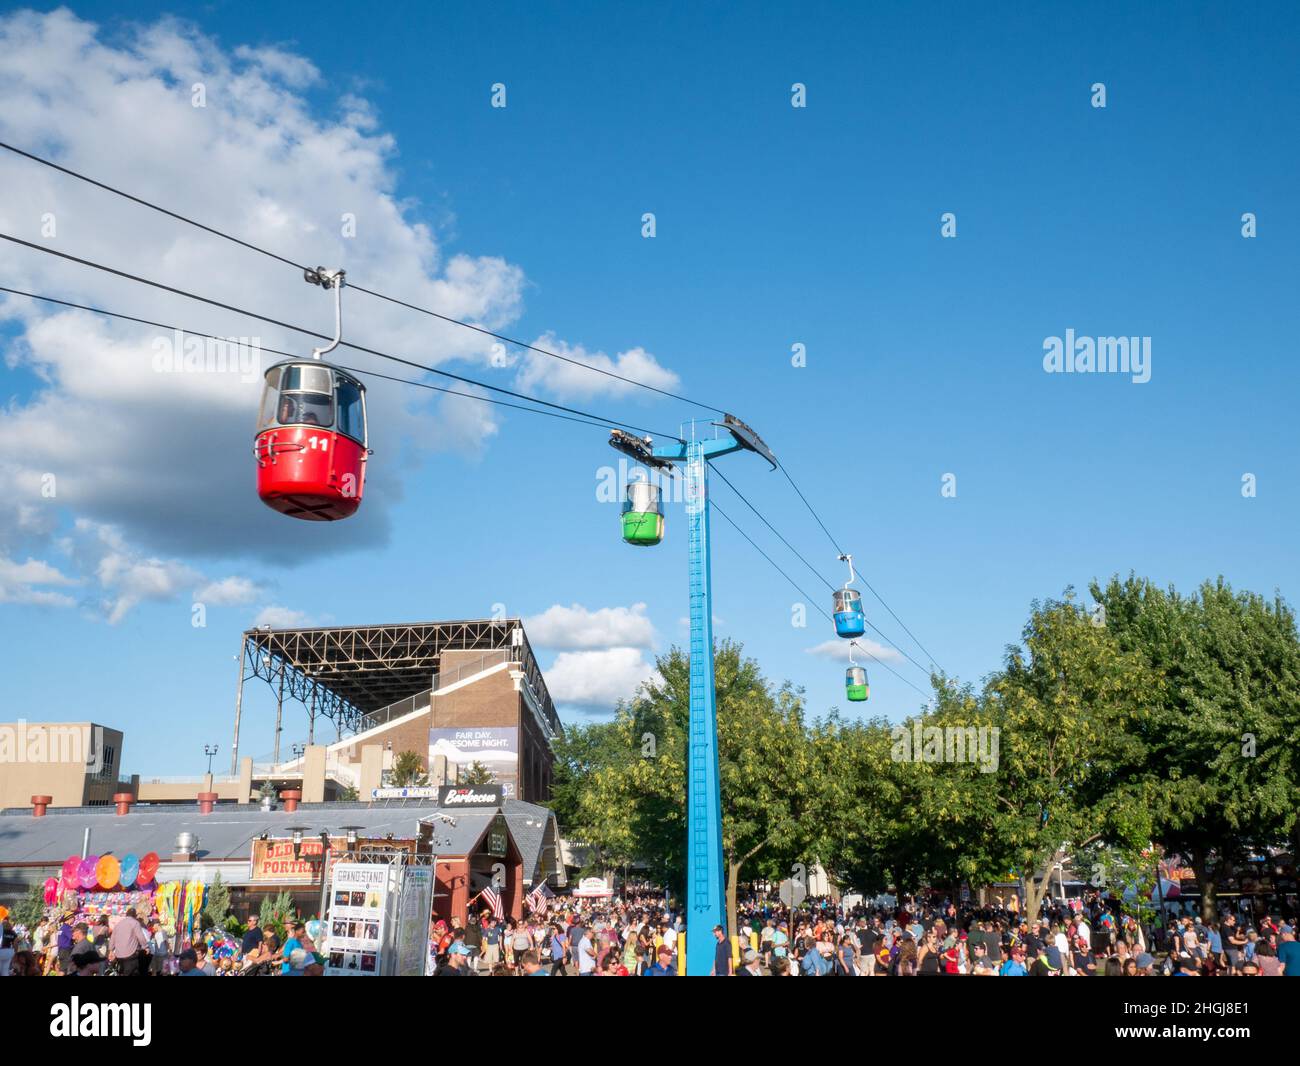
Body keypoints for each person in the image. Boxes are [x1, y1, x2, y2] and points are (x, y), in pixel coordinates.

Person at [107, 906, 149, 976]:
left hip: (119, 954)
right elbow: (140, 937)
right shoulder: (135, 923)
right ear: (135, 916)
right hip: (130, 954)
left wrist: (111, 950)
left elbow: (113, 937)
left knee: (122, 972)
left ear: (126, 915)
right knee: (131, 972)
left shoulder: (119, 924)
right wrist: (145, 947)